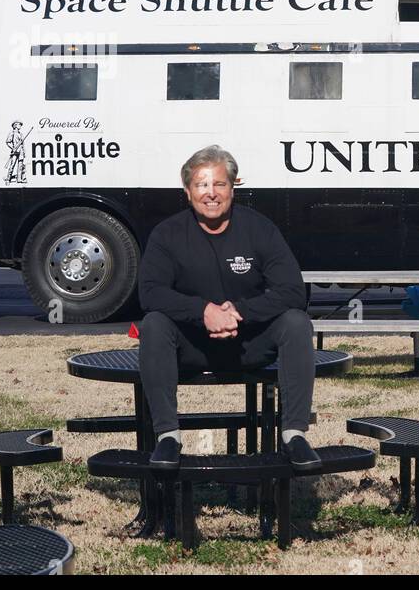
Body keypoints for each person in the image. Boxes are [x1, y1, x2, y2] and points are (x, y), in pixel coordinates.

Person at [137, 145, 320, 472]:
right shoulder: (167, 234)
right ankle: (167, 435)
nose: (211, 193)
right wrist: (203, 311)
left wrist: (240, 312)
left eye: (219, 184)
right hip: (192, 346)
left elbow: (293, 291)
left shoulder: (260, 229)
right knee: (153, 323)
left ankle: (294, 433)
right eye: (202, 185)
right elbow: (149, 293)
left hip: (248, 343)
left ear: (233, 187)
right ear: (187, 191)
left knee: (296, 322)